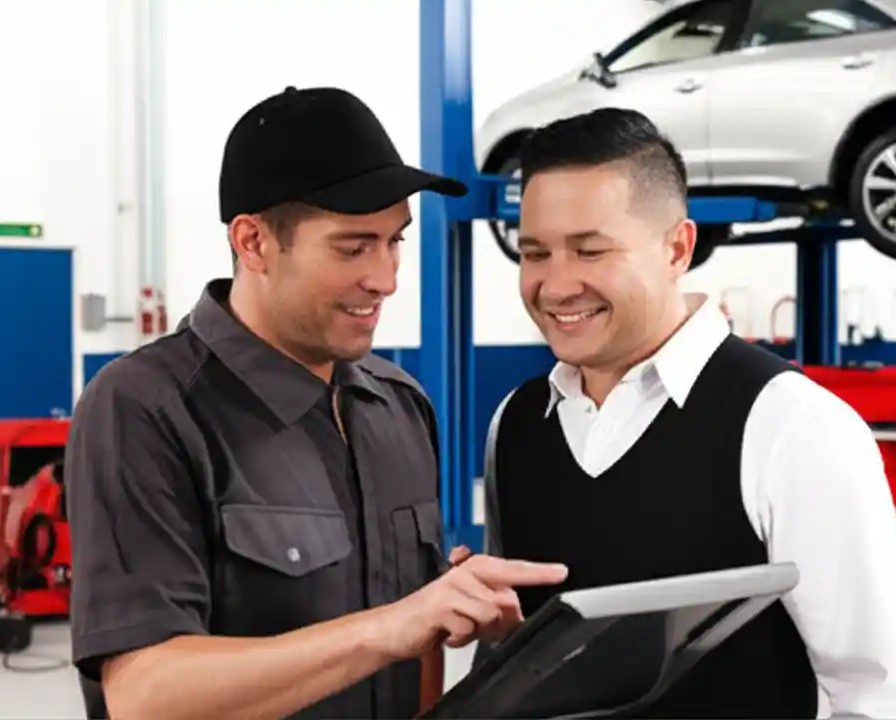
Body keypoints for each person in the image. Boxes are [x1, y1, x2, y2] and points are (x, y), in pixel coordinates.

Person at [64, 86, 568, 720]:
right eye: (353, 247)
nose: (384, 279)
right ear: (253, 243)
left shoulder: (399, 406)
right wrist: (389, 626)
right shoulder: (145, 409)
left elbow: (420, 652)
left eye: (395, 242)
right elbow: (146, 696)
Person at [478, 108, 896, 718]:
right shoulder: (516, 424)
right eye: (535, 254)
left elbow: (880, 695)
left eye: (590, 252)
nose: (556, 286)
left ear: (677, 248)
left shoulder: (786, 423)